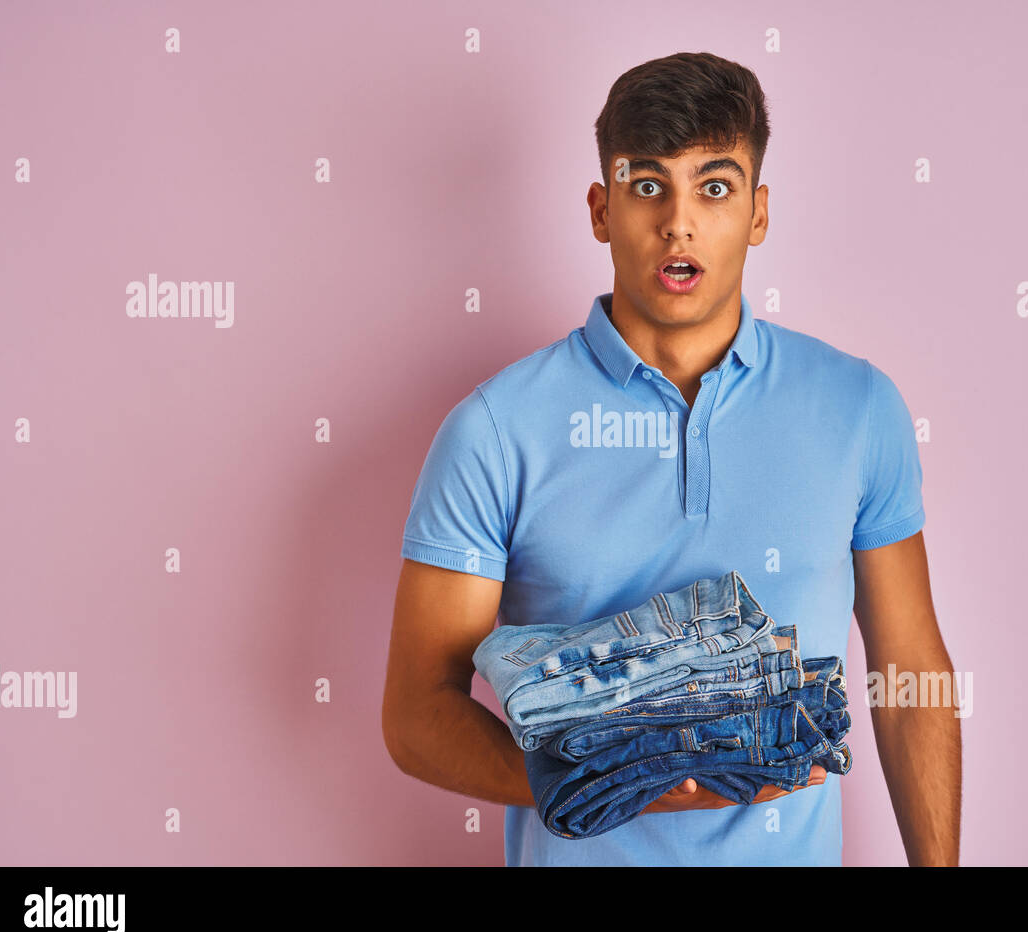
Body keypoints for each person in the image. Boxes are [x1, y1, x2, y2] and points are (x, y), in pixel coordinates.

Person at [381, 51, 961, 866]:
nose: (679, 222)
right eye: (648, 185)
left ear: (758, 213)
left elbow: (909, 673)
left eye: (714, 188)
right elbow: (416, 713)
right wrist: (618, 776)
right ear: (600, 207)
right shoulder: (494, 430)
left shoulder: (857, 407)